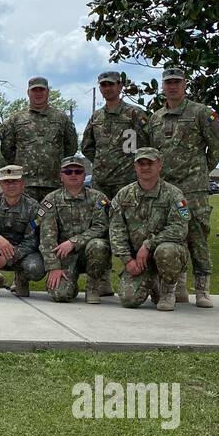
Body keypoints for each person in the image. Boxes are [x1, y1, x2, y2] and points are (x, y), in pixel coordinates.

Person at [149, 68, 219, 307]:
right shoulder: (155, 118)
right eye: (168, 82)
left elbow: (217, 147)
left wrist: (201, 171)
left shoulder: (201, 113)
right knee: (171, 236)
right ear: (163, 86)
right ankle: (177, 286)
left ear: (184, 85)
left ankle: (202, 291)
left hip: (194, 190)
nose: (172, 86)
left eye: (177, 82)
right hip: (166, 190)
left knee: (197, 236)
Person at [79, 69, 151, 297]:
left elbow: (147, 145)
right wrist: (102, 163)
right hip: (101, 183)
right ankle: (102, 278)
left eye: (111, 84)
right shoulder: (96, 117)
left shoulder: (134, 114)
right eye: (103, 85)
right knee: (101, 231)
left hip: (127, 183)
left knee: (132, 230)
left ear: (121, 87)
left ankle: (137, 275)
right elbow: (87, 146)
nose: (107, 88)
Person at [107, 147, 191, 311]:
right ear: (135, 167)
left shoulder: (174, 194)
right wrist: (127, 260)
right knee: (129, 300)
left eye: (150, 163)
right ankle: (153, 283)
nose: (145, 167)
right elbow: (116, 231)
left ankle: (167, 291)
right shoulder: (124, 195)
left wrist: (148, 245)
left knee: (166, 250)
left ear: (159, 165)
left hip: (166, 253)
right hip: (138, 261)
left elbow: (179, 228)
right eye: (141, 163)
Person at [38, 153, 112, 304]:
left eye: (78, 171)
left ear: (84, 175)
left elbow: (101, 227)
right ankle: (70, 285)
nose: (73, 175)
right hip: (64, 257)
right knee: (60, 295)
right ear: (61, 176)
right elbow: (47, 237)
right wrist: (54, 267)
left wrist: (74, 242)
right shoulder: (50, 200)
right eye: (68, 172)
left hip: (88, 253)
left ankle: (93, 286)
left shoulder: (98, 198)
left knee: (99, 245)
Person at [0, 75, 78, 203]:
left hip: (54, 183)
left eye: (42, 90)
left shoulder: (61, 118)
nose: (38, 93)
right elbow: (7, 149)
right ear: (28, 92)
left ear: (48, 92)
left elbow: (71, 147)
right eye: (34, 90)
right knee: (27, 222)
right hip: (25, 184)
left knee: (52, 221)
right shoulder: (16, 119)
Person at [0, 165, 45, 297]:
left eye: (15, 181)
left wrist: (8, 258)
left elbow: (32, 242)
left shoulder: (33, 208)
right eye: (6, 182)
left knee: (36, 268)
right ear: (0, 184)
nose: (11, 185)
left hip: (20, 252)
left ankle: (21, 280)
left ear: (23, 183)